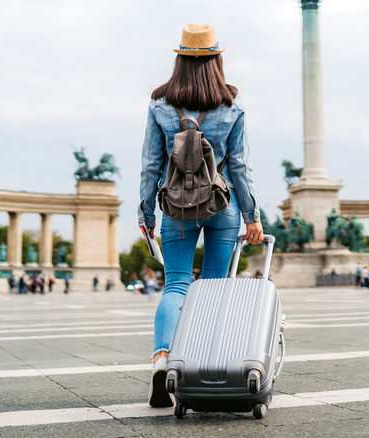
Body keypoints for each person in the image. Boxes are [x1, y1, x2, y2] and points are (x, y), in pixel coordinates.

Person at [138, 24, 262, 408]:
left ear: (180, 59)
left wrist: (146, 212)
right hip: (221, 207)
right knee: (211, 290)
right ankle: (199, 364)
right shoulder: (231, 106)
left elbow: (150, 165)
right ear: (216, 59)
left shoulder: (160, 105)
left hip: (175, 207)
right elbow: (239, 166)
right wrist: (252, 215)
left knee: (176, 285)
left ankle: (162, 358)